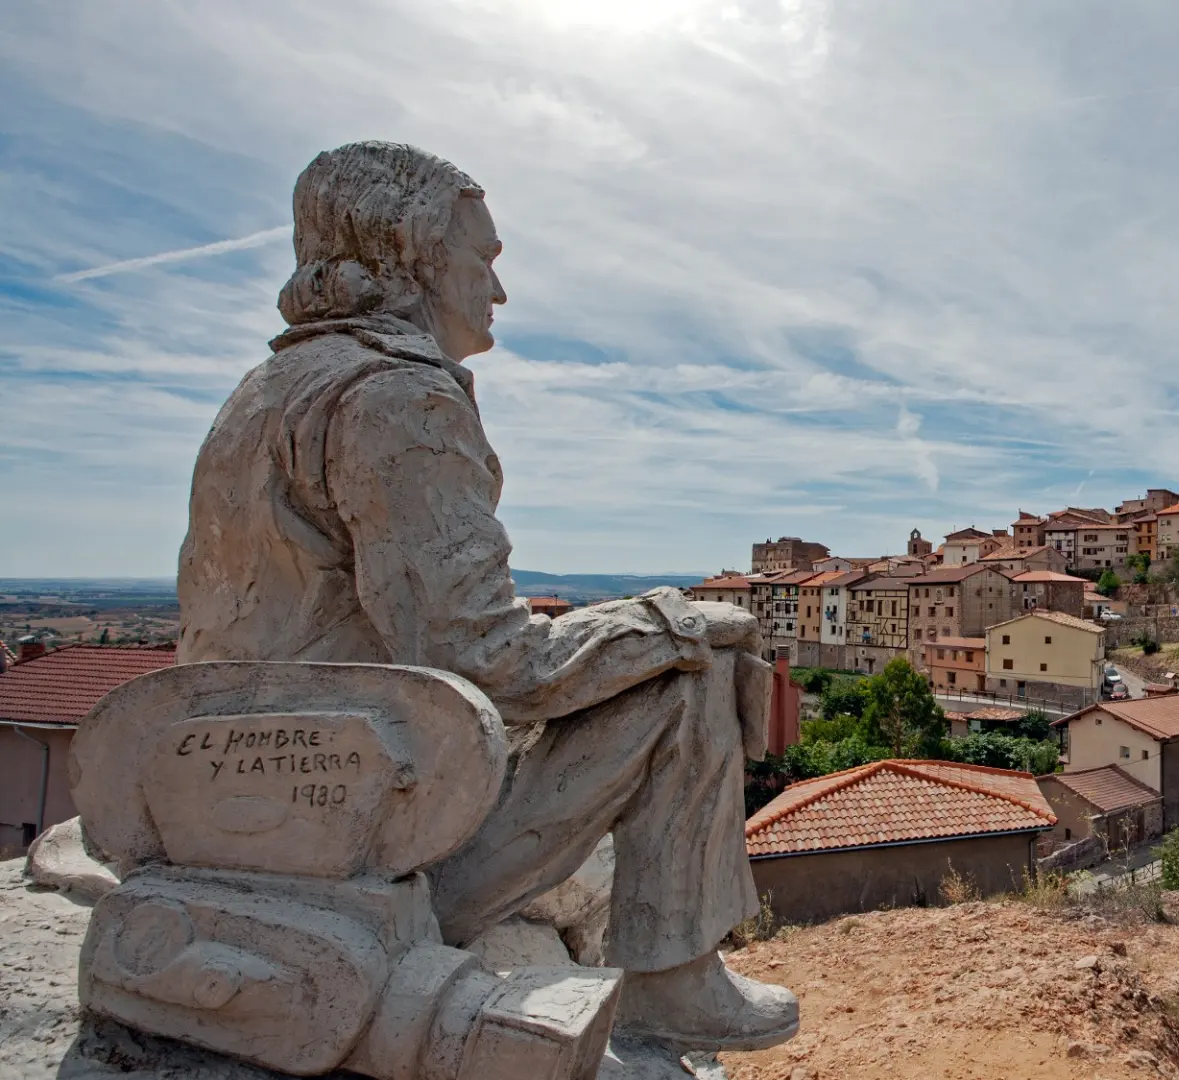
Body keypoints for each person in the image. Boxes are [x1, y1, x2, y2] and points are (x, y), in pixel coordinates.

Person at [174, 141, 796, 1052]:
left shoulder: (268, 389)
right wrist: (673, 622)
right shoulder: (397, 398)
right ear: (413, 257)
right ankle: (674, 979)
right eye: (485, 261)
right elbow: (490, 663)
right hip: (356, 842)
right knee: (693, 668)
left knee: (670, 640)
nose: (496, 292)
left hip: (244, 802)